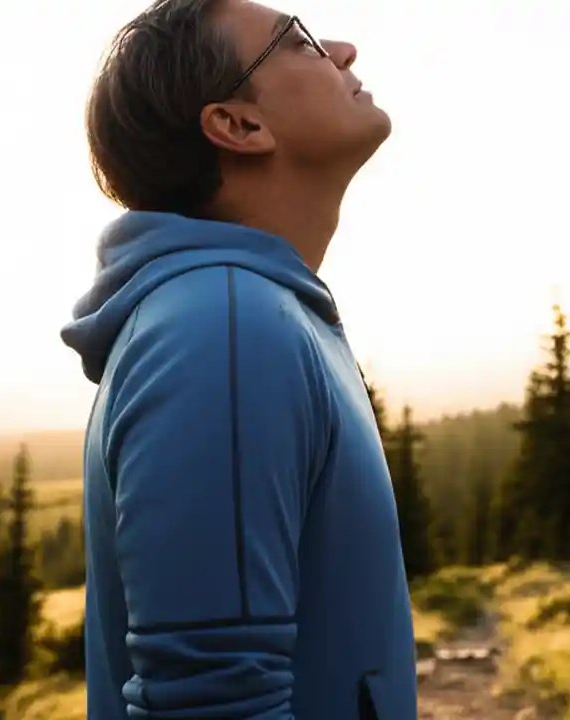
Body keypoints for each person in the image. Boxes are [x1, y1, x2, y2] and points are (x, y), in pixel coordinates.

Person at [60, 1, 416, 718]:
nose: (342, 50)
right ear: (238, 125)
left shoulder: (248, 314)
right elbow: (211, 703)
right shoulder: (222, 329)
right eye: (301, 42)